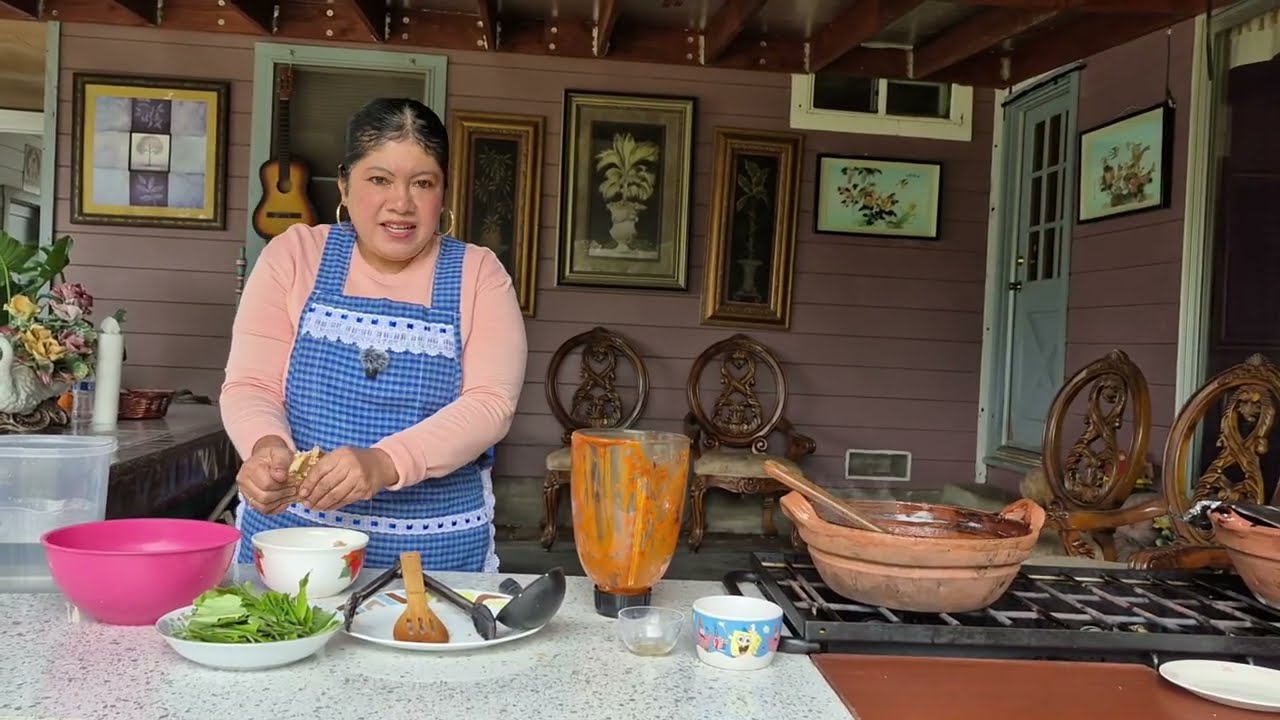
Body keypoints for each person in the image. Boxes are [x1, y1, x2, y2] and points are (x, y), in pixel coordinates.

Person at [220, 97, 527, 572]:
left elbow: (489, 405)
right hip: (295, 543)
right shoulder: (294, 256)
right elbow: (251, 386)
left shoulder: (478, 274)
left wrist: (383, 463)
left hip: (433, 553)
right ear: (344, 184)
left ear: (443, 192)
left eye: (422, 183)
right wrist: (266, 448)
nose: (400, 204)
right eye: (379, 179)